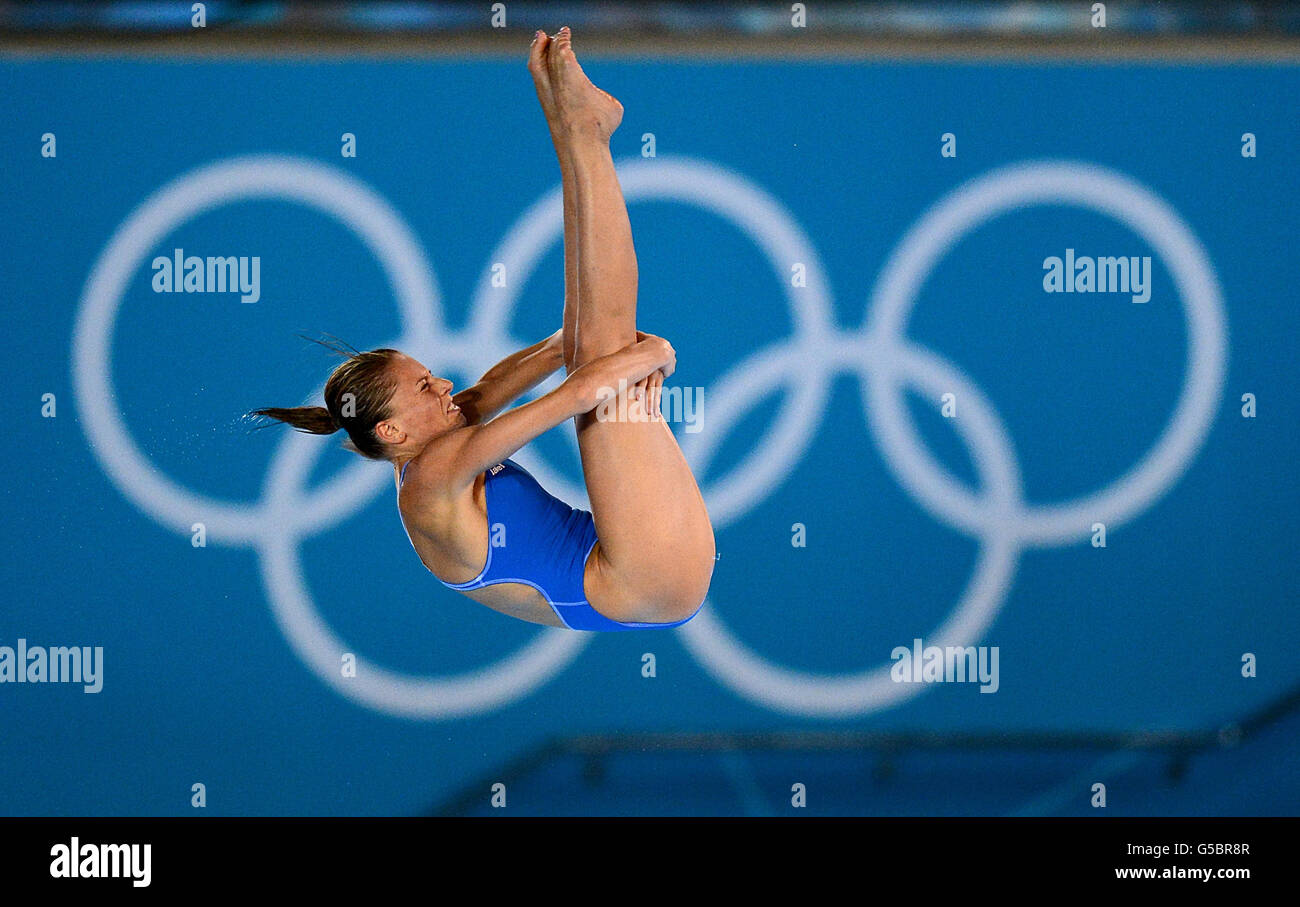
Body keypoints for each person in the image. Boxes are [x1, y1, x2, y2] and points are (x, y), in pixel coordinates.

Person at [252, 28, 716, 631]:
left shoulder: (436, 438)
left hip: (643, 569)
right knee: (603, 362)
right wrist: (653, 350)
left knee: (591, 345)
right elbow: (575, 397)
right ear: (391, 429)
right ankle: (585, 134)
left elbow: (553, 352)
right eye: (423, 389)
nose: (443, 383)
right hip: (644, 578)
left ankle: (573, 130)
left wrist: (590, 348)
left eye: (429, 377)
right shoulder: (433, 480)